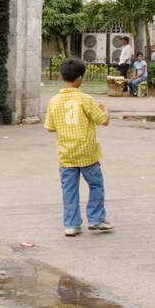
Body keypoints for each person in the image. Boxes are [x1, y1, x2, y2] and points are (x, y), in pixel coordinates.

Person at [44, 56, 113, 236]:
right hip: (87, 152)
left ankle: (71, 225)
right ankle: (96, 219)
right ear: (80, 78)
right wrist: (105, 108)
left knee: (69, 189)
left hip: (66, 154)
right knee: (96, 184)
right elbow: (103, 121)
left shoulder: (54, 101)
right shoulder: (86, 100)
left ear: (61, 77)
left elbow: (50, 128)